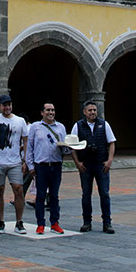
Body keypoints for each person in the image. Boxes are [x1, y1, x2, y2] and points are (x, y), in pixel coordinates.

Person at [25, 102, 82, 235]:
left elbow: (64, 148)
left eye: (53, 110)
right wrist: (30, 166)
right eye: (48, 110)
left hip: (56, 165)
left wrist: (69, 147)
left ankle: (55, 223)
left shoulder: (60, 127)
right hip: (41, 166)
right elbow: (30, 147)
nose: (51, 113)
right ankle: (40, 224)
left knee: (54, 196)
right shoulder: (35, 127)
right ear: (42, 113)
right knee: (40, 196)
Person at [71, 100, 117, 234]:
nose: (92, 112)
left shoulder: (104, 124)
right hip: (86, 165)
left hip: (101, 164)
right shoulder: (78, 126)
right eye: (90, 110)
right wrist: (77, 163)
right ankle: (87, 222)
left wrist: (109, 161)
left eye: (94, 110)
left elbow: (112, 142)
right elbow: (72, 146)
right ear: (84, 112)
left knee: (104, 194)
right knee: (86, 194)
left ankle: (107, 222)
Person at [0, 94, 28, 233]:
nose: (7, 107)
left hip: (15, 161)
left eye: (9, 104)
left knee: (18, 189)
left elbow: (25, 140)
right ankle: (1, 221)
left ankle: (19, 221)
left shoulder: (20, 121)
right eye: (4, 105)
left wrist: (25, 160)